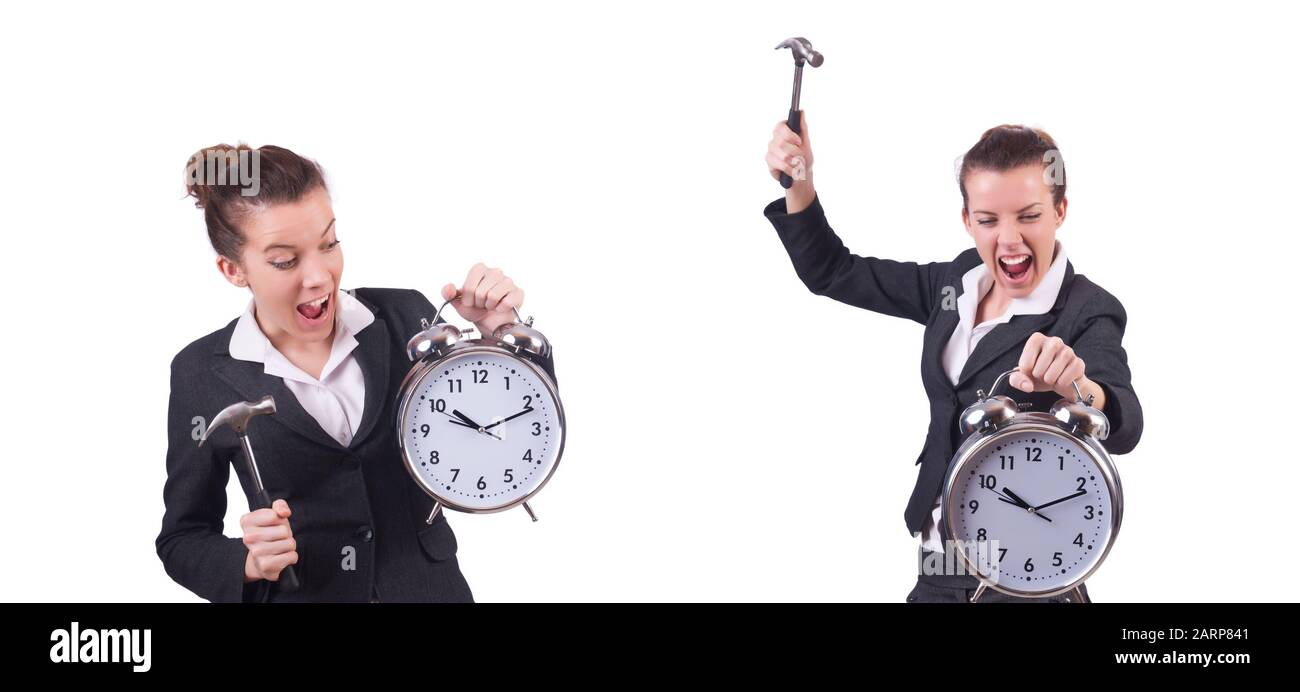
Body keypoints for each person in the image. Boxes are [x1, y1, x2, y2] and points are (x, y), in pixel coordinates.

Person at [763, 114, 1142, 603]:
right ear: (967, 220)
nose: (1008, 239)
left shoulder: (1086, 309)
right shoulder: (954, 285)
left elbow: (1124, 421)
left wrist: (1079, 387)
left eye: (1028, 215)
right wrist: (801, 183)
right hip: (938, 568)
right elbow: (833, 272)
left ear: (1059, 211)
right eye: (988, 220)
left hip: (1026, 583)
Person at [157, 143, 554, 602]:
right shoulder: (201, 372)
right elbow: (182, 539)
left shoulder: (405, 316)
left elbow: (522, 433)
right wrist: (247, 564)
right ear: (233, 269)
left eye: (328, 244)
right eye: (285, 260)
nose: (320, 276)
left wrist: (500, 332)